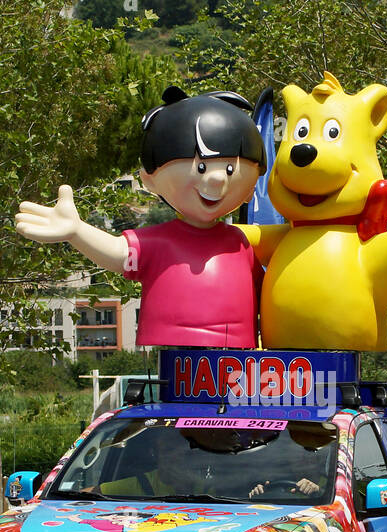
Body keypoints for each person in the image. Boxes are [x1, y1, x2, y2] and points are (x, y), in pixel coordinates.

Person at [16, 88, 277, 349]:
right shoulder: (160, 242)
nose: (218, 179)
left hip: (237, 360)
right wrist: (77, 231)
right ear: (150, 179)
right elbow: (119, 253)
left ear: (251, 186)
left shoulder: (240, 243)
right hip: (175, 357)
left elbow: (267, 290)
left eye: (231, 169)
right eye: (201, 167)